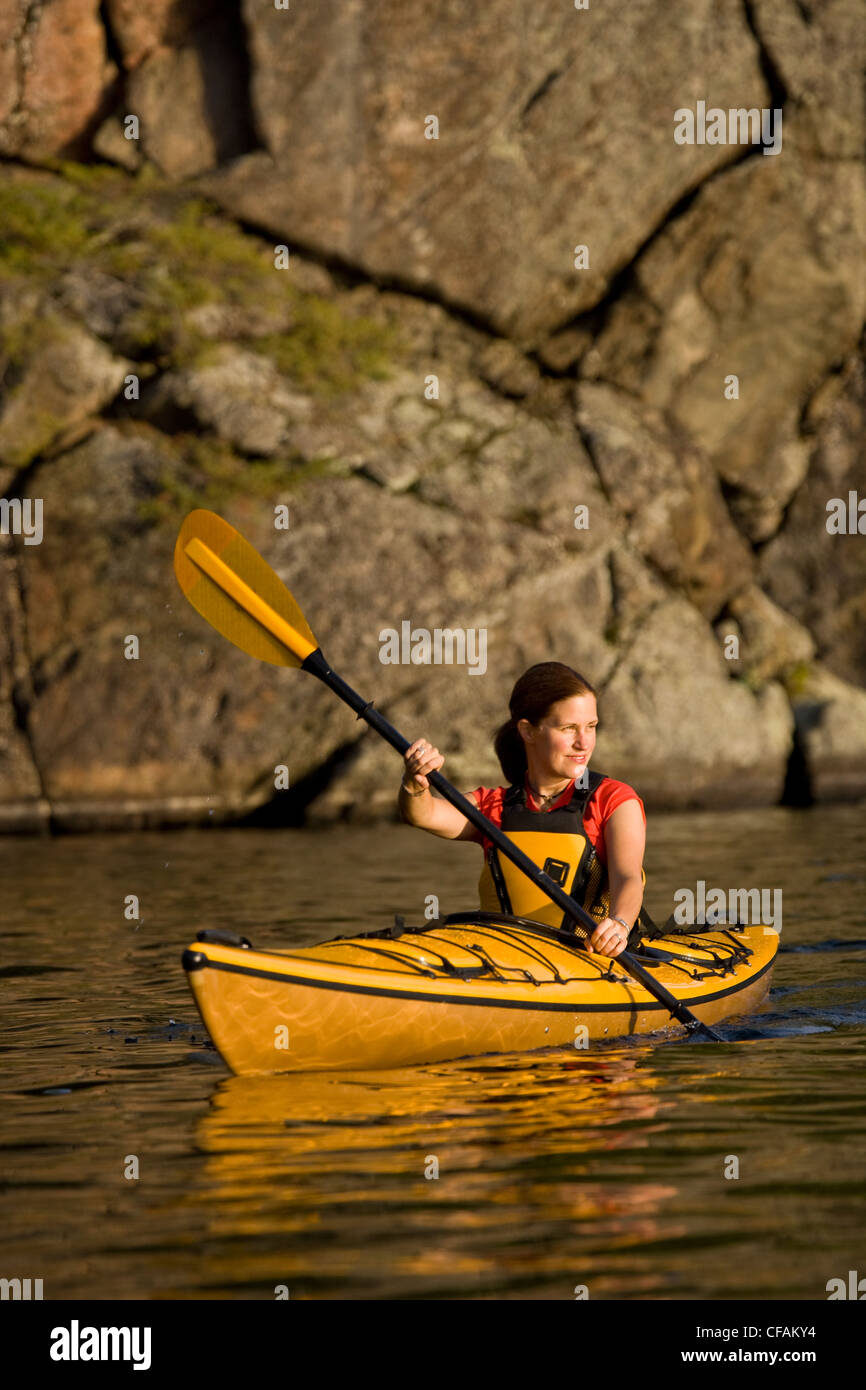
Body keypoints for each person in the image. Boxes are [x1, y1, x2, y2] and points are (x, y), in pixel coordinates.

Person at [397, 662, 650, 958]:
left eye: (591, 727)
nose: (583, 742)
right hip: (502, 959)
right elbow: (423, 814)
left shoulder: (614, 800)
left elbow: (628, 877)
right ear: (528, 731)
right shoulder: (495, 806)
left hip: (587, 960)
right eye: (568, 728)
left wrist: (619, 924)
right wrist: (415, 784)